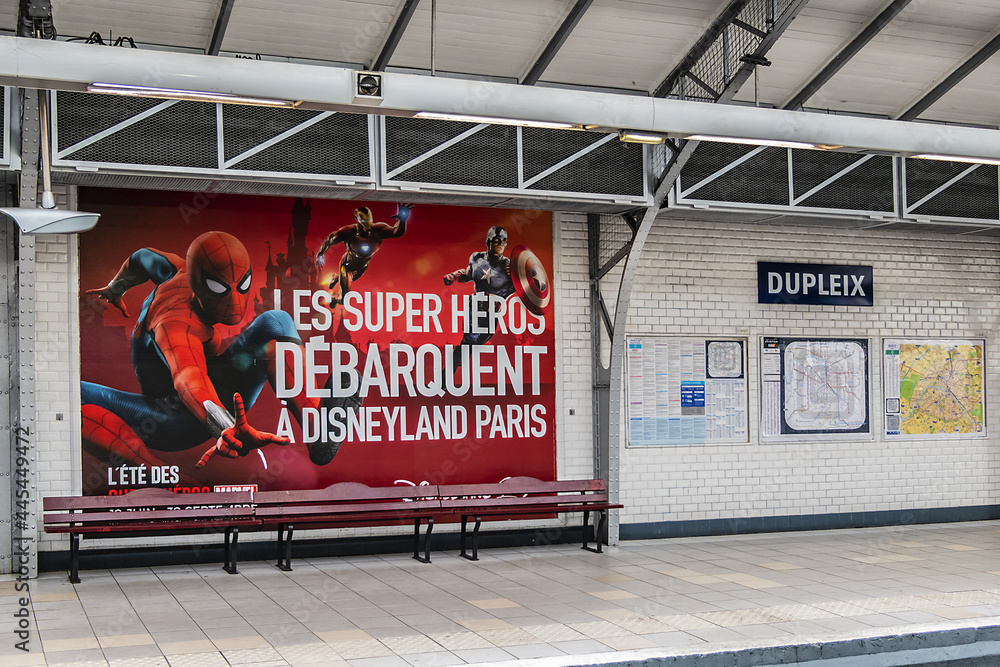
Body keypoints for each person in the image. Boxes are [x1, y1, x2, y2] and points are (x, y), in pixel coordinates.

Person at [82, 231, 341, 479]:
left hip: (215, 393)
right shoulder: (177, 324)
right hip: (174, 420)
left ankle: (315, 425)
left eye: (243, 284)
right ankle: (157, 473)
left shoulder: (175, 269)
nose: (234, 299)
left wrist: (116, 288)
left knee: (277, 320)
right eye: (219, 288)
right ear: (200, 284)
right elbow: (188, 377)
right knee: (75, 394)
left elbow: (140, 257)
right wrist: (227, 428)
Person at [442, 225, 514, 375]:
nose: (500, 244)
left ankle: (452, 365)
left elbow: (529, 286)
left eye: (503, 241)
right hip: (475, 307)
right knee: (469, 340)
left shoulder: (510, 267)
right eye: (496, 240)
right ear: (488, 242)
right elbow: (468, 273)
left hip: (492, 315)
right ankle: (448, 373)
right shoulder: (477, 258)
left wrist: (519, 274)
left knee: (473, 343)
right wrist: (454, 276)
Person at [316, 203, 413, 306]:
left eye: (368, 222)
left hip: (363, 267)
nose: (367, 227)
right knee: (345, 300)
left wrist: (402, 220)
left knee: (348, 284)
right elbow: (330, 239)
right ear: (357, 219)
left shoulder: (378, 231)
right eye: (364, 222)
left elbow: (396, 232)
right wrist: (321, 253)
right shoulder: (350, 232)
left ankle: (336, 278)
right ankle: (335, 298)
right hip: (347, 266)